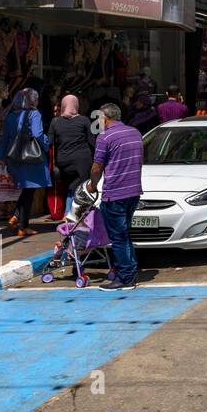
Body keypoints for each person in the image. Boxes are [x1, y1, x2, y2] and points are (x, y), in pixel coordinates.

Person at [89, 103, 143, 290]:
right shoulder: (135, 132)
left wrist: (92, 185)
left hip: (115, 193)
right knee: (124, 233)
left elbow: (97, 167)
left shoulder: (105, 136)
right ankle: (130, 270)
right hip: (133, 191)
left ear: (104, 118)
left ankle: (125, 278)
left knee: (118, 237)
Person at [0, 88, 51, 237]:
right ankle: (22, 226)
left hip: (14, 158)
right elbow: (38, 134)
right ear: (32, 100)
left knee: (26, 190)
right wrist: (47, 144)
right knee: (29, 192)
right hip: (31, 158)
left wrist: (1, 157)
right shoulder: (34, 114)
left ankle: (16, 217)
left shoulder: (10, 115)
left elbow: (4, 138)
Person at [49, 94, 95, 220]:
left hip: (63, 161)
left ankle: (68, 213)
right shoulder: (84, 120)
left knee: (70, 187)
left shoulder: (55, 122)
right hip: (82, 161)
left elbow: (49, 142)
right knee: (81, 187)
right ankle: (75, 215)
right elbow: (92, 142)